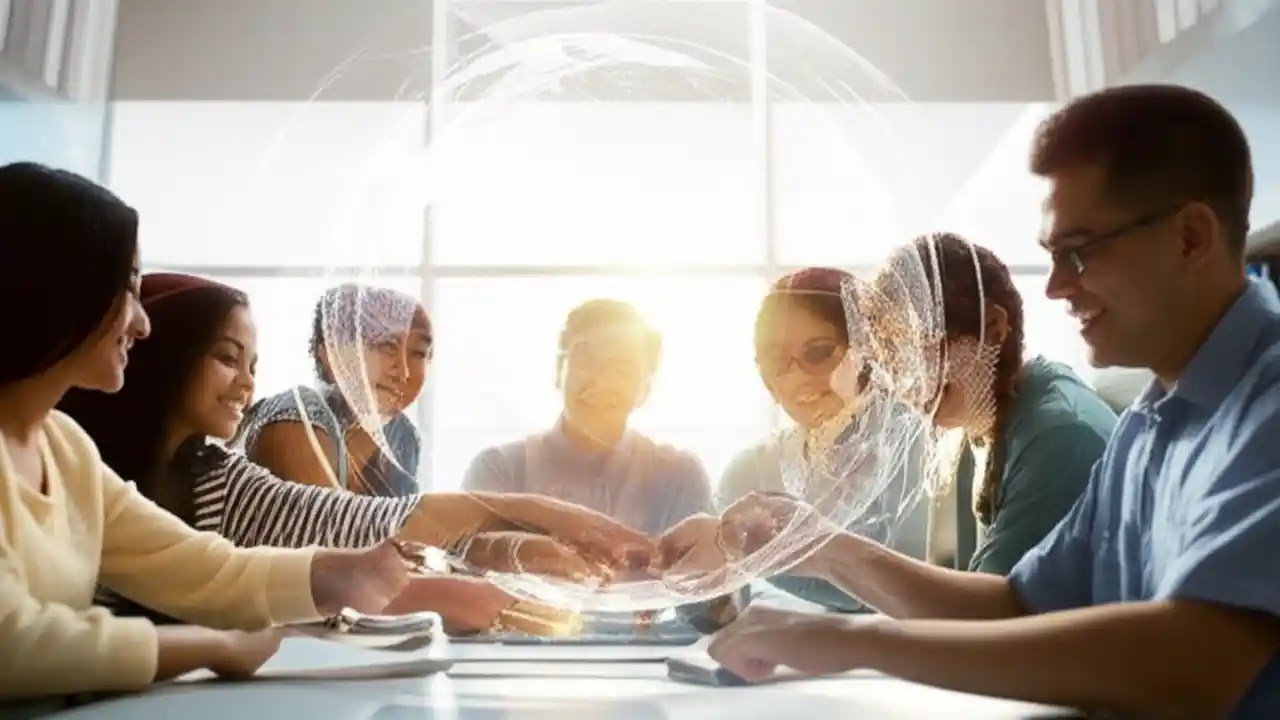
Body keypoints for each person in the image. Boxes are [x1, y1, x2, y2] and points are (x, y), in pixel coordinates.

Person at [702, 85, 1280, 719]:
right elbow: (1016, 606)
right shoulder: (1150, 425)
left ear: (1191, 238)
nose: (1055, 287)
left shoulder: (1266, 406)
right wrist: (823, 547)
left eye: (1079, 252)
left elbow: (1198, 664)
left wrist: (854, 642)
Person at [0, 162, 410, 701]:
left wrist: (334, 575)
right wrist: (212, 646)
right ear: (62, 286)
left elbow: (194, 566)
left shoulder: (65, 447)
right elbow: (11, 643)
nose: (142, 324)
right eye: (128, 290)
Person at [57, 273, 650, 634]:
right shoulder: (294, 417)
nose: (247, 382)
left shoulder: (215, 476)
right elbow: (335, 546)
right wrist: (481, 563)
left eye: (419, 352)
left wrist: (524, 542)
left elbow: (380, 531)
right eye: (227, 358)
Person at [711, 267, 915, 611]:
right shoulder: (748, 471)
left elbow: (902, 588)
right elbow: (718, 601)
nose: (797, 378)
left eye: (818, 353)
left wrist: (757, 555)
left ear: (866, 352)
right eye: (777, 361)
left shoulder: (913, 446)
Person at [463, 299, 711, 536]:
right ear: (559, 370)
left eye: (621, 370)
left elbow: (699, 564)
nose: (600, 381)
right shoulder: (499, 470)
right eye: (585, 361)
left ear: (645, 389)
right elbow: (473, 561)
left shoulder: (680, 477)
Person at [239, 283, 429, 497]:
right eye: (386, 345)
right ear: (329, 352)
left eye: (419, 353)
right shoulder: (295, 416)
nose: (404, 372)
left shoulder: (403, 435)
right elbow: (327, 517)